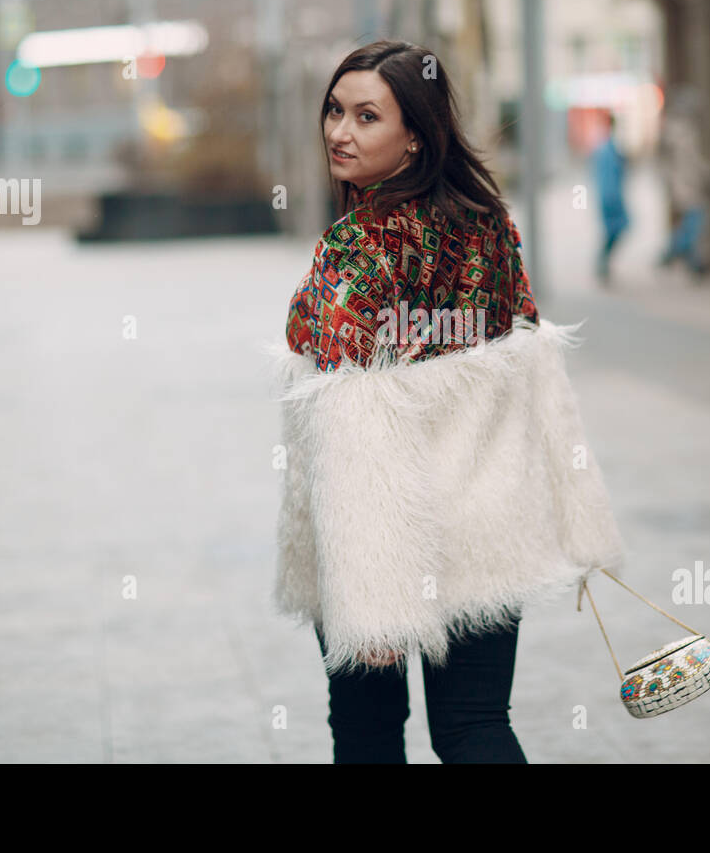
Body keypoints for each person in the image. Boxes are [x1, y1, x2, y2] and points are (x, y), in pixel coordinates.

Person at [265, 40, 626, 764]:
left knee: (367, 730)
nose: (340, 131)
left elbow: (349, 415)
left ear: (415, 139)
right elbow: (524, 364)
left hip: (381, 533)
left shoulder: (356, 247)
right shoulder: (488, 225)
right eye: (335, 111)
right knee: (477, 723)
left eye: (367, 117)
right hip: (484, 517)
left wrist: (368, 580)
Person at [655, 86, 710, 278]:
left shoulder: (676, 131)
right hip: (686, 185)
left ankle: (694, 264)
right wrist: (709, 175)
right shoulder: (682, 133)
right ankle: (672, 252)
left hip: (685, 184)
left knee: (693, 222)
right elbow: (691, 162)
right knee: (695, 220)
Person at [591, 109, 630, 286]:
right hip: (610, 196)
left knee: (615, 229)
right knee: (617, 228)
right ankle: (602, 264)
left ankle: (603, 264)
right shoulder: (606, 149)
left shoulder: (610, 147)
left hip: (611, 194)